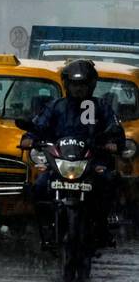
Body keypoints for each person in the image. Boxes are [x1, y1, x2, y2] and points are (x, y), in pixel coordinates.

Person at [20, 59, 123, 247]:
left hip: (93, 161)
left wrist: (113, 143)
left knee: (109, 180)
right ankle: (47, 227)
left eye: (83, 84)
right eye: (75, 84)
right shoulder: (56, 106)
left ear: (91, 85)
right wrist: (30, 138)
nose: (78, 89)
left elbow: (115, 130)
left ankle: (103, 226)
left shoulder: (102, 107)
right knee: (40, 185)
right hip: (61, 162)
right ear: (67, 84)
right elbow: (38, 125)